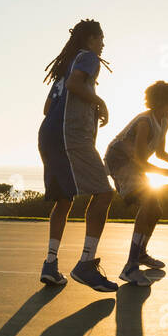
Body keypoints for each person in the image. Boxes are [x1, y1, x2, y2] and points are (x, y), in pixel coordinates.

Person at [37, 19, 118, 292]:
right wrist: (99, 101)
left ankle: (50, 263)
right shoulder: (88, 58)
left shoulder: (64, 67)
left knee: (63, 200)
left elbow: (48, 107)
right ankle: (85, 263)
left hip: (48, 135)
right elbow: (74, 85)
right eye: (101, 38)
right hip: (70, 136)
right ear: (91, 39)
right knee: (104, 193)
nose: (104, 44)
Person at [103, 80, 168, 285]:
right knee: (148, 204)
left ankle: (140, 254)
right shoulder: (144, 122)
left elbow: (160, 152)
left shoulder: (164, 120)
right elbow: (140, 160)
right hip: (119, 161)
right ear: (160, 103)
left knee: (155, 210)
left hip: (133, 163)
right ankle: (130, 266)